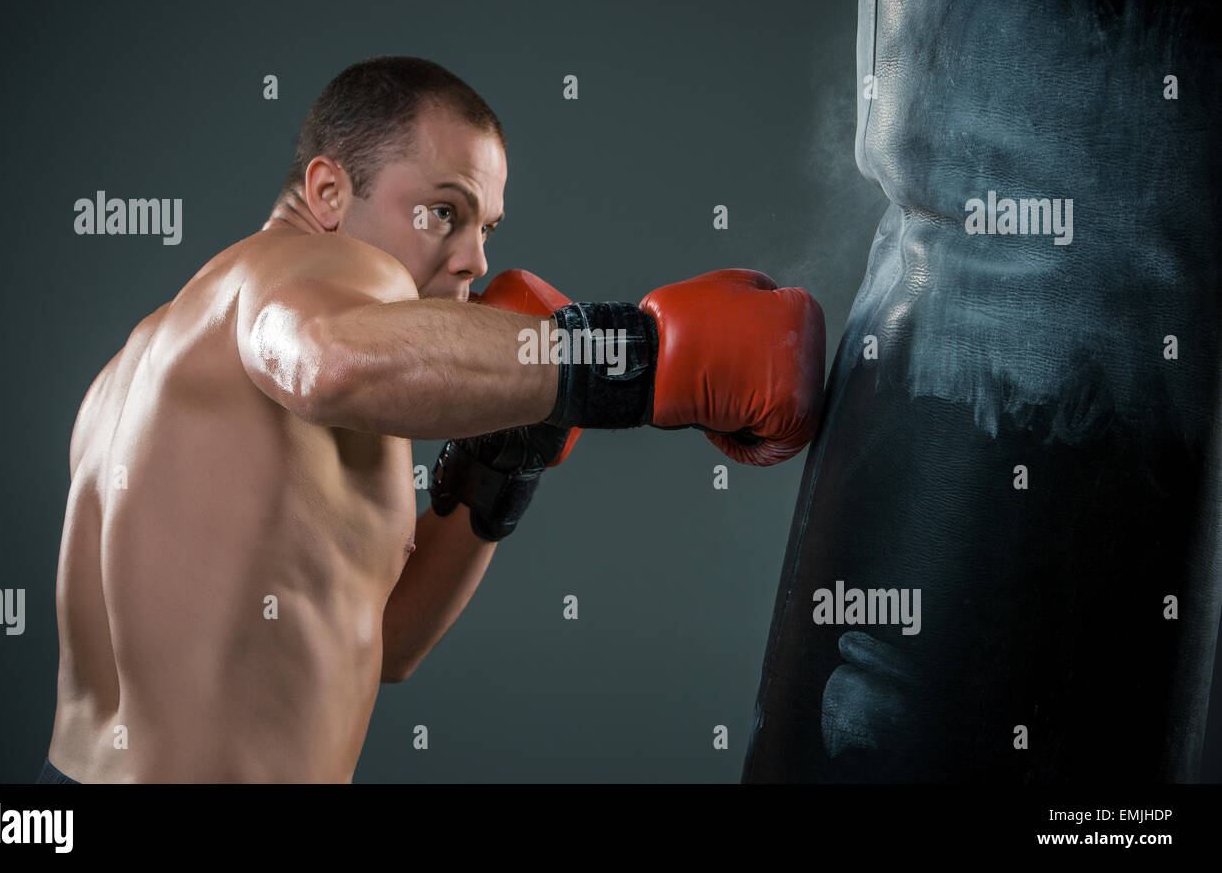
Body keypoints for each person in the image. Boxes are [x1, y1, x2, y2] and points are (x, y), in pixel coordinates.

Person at [41, 55, 825, 782]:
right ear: (327, 194)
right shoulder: (302, 271)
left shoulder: (148, 360)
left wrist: (500, 464)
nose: (474, 260)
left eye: (486, 227)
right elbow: (327, 359)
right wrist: (631, 356)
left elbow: (383, 643)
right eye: (442, 212)